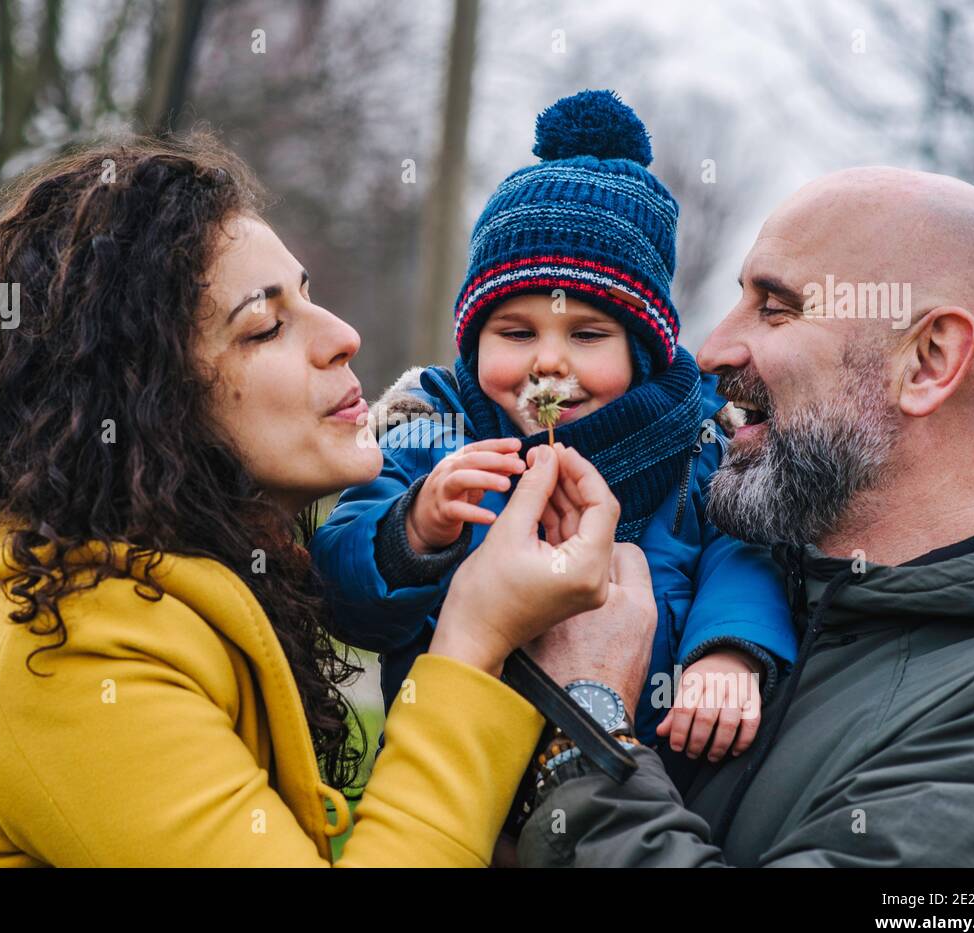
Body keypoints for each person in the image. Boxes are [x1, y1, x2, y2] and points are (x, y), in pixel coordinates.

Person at [0, 133, 638, 867]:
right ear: (140, 399)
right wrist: (478, 637)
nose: (342, 337)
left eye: (311, 295)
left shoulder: (162, 592)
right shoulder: (63, 654)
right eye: (266, 326)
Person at [516, 166, 974, 867]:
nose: (711, 351)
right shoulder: (741, 597)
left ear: (927, 361)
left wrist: (587, 726)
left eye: (774, 307)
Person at [310, 91, 795, 785]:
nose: (548, 361)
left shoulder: (696, 448)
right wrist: (416, 529)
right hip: (454, 783)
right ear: (473, 340)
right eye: (515, 332)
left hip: (633, 787)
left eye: (588, 334)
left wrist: (731, 651)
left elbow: (744, 557)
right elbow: (343, 589)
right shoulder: (432, 432)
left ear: (644, 352)